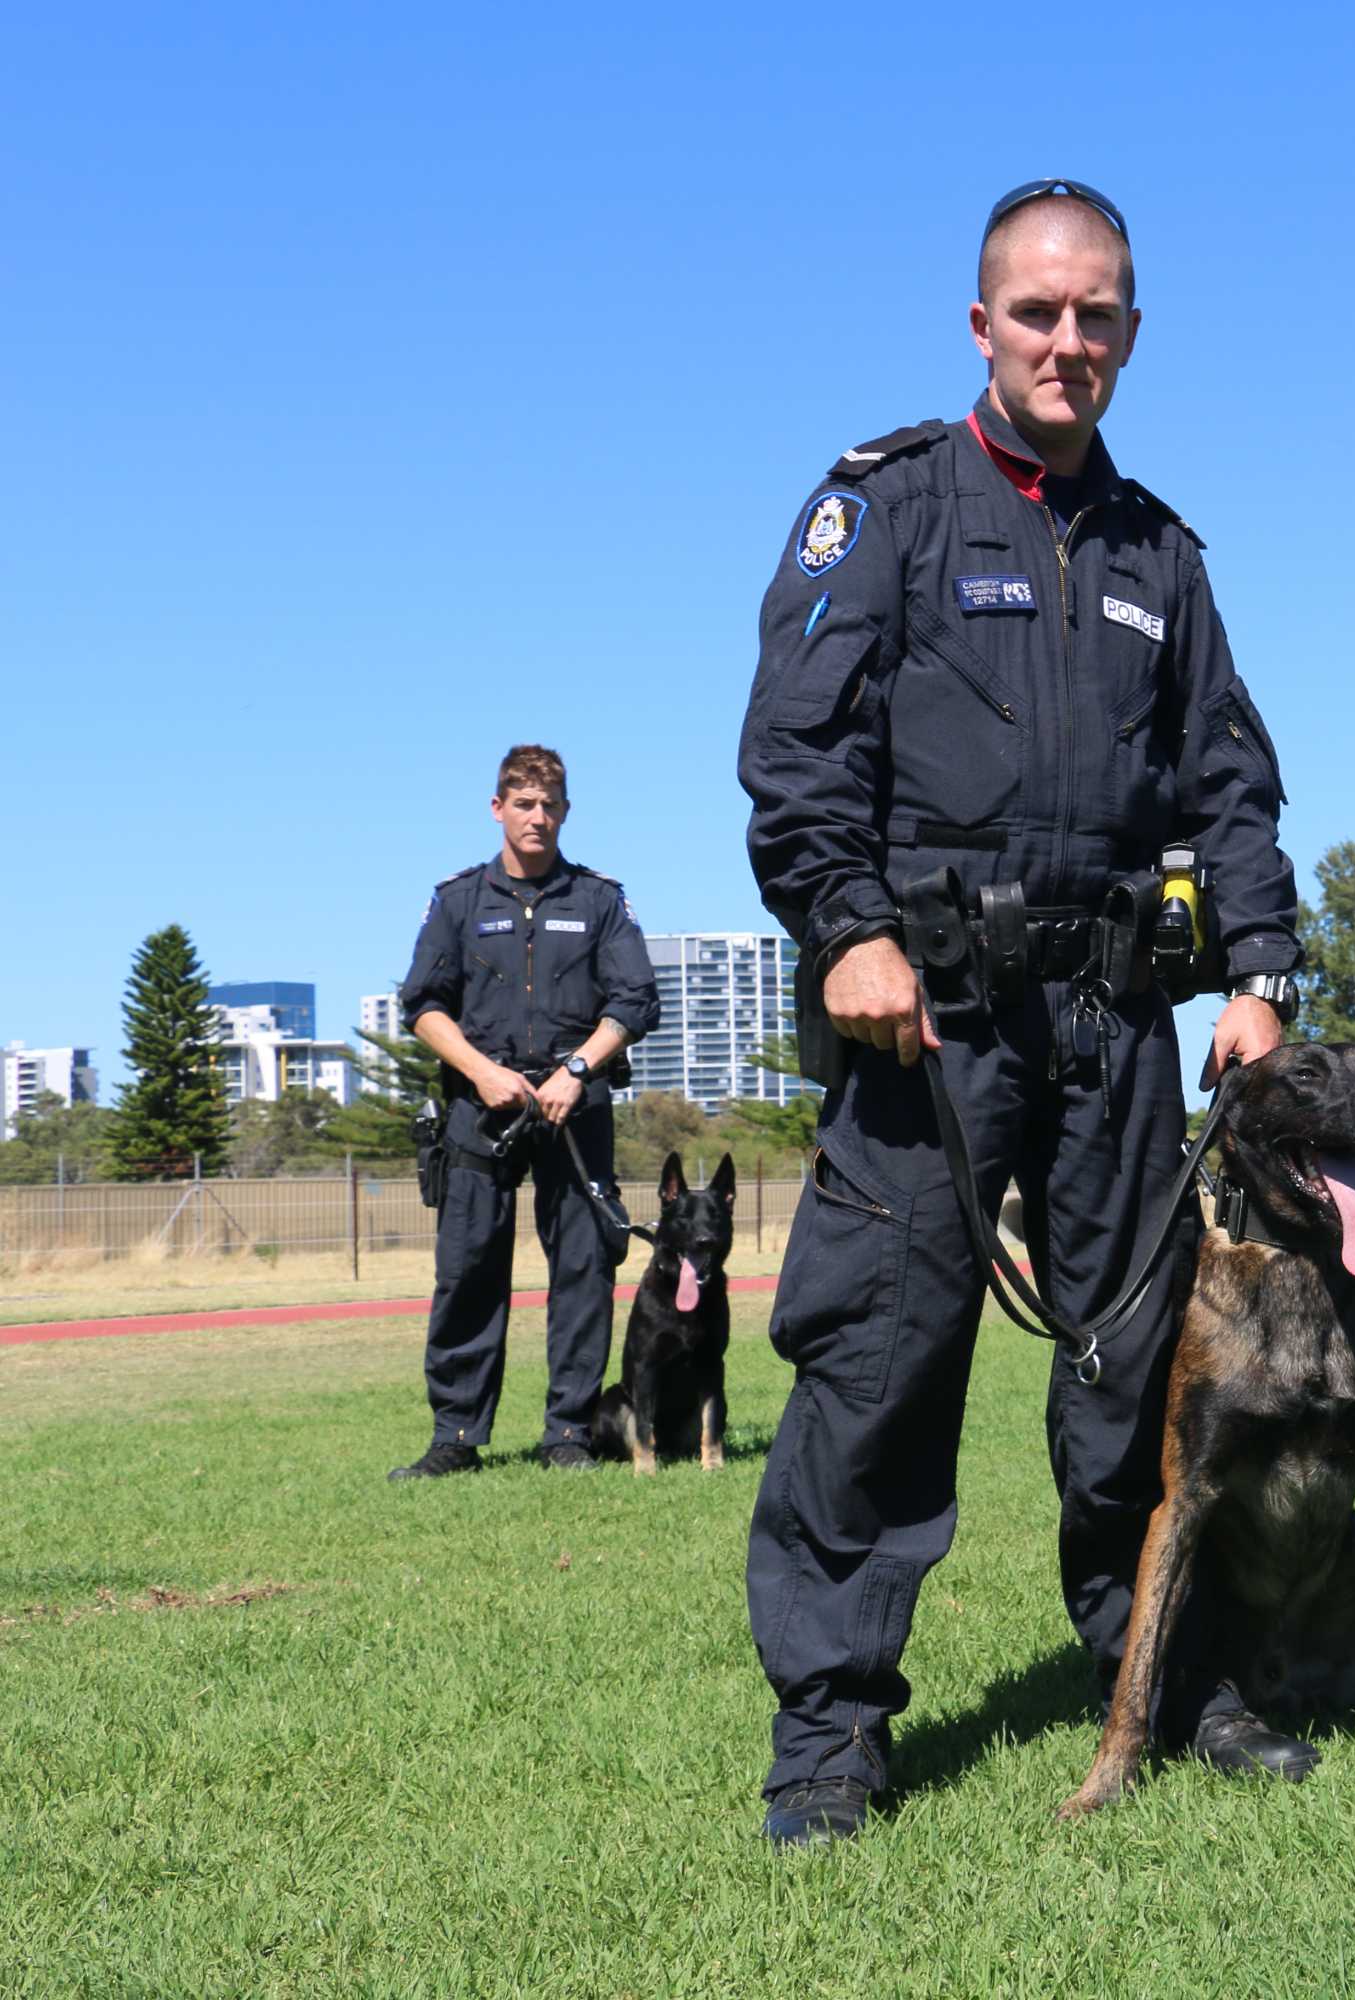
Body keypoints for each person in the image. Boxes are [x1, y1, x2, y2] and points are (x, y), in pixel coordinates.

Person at [735, 178, 1305, 1847]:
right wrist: (847, 929)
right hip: (926, 1022)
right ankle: (831, 1735)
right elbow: (798, 748)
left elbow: (1231, 783)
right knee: (878, 1366)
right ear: (981, 324)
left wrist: (1258, 975)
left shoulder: (1160, 555)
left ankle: (1169, 1672)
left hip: (1117, 1025)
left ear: (1132, 331)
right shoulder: (891, 506)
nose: (1068, 341)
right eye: (1038, 312)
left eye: (1096, 314)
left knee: (1142, 1371)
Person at [390, 744, 656, 1480]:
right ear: (497, 808)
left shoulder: (599, 900)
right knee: (468, 1269)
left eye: (549, 805)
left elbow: (636, 1000)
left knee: (583, 1270)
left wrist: (579, 1069)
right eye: (523, 803)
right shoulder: (457, 901)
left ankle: (568, 1432)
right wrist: (481, 1072)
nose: (537, 817)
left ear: (565, 812)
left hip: (576, 1107)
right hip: (482, 1108)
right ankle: (456, 1436)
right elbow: (422, 1004)